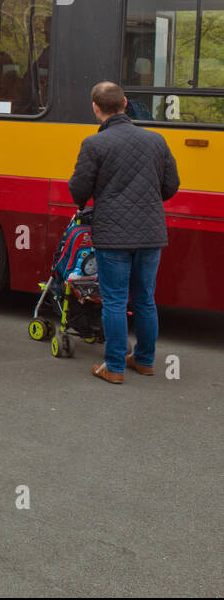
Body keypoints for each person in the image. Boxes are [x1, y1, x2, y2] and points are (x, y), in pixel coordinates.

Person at [68, 81, 180, 384]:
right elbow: (171, 186)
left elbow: (79, 188)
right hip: (151, 233)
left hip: (113, 234)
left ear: (95, 108)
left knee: (115, 300)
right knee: (145, 299)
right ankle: (144, 361)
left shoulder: (95, 144)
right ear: (126, 102)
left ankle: (114, 366)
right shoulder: (156, 140)